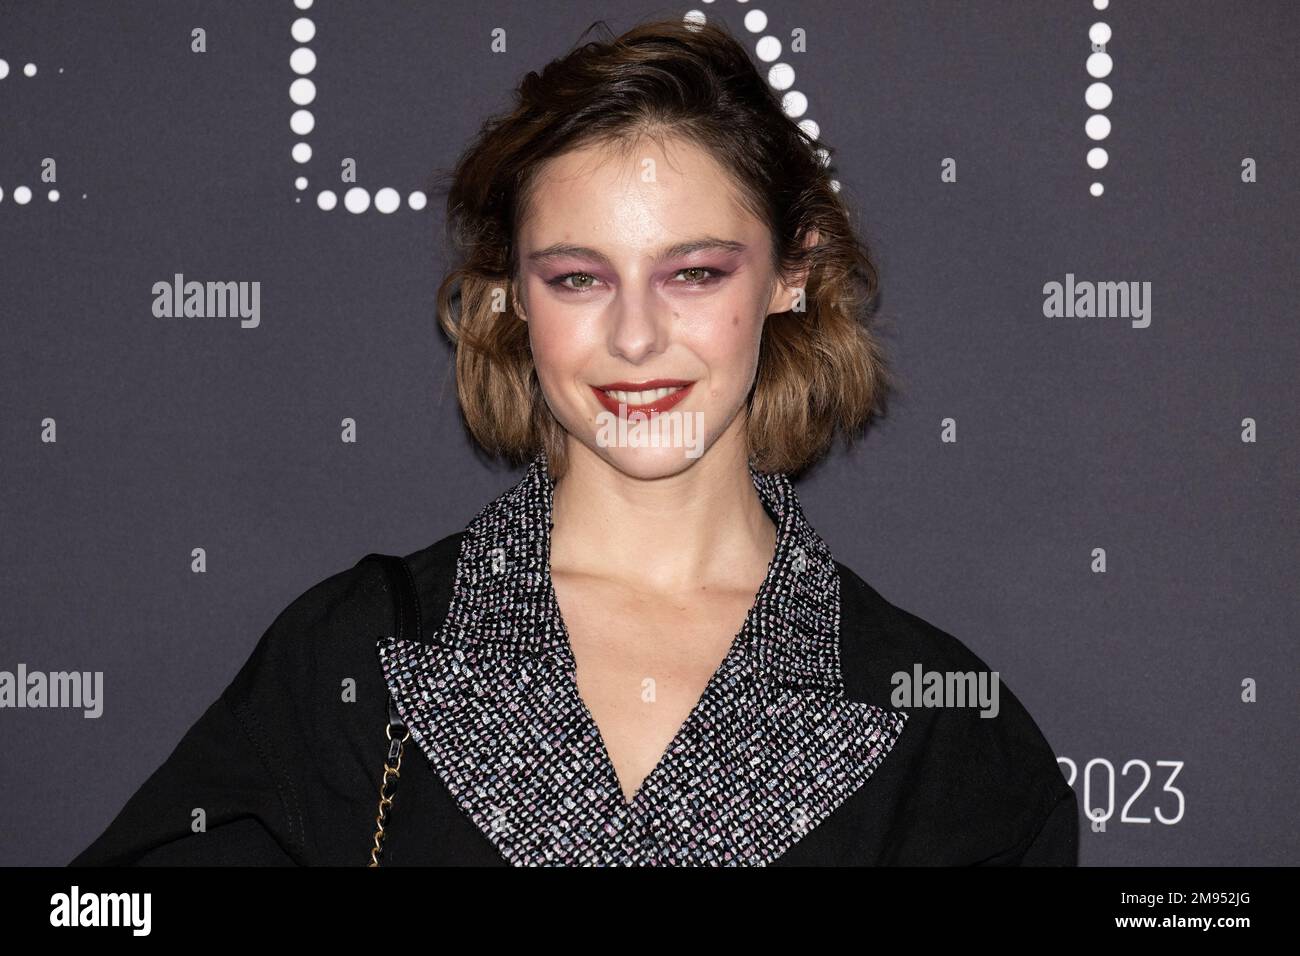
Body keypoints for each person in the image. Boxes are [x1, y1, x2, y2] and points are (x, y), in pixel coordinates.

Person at [69, 15, 1077, 866]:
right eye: (578, 277)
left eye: (693, 272)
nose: (634, 337)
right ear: (515, 296)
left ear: (790, 272)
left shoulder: (949, 734)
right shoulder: (361, 653)